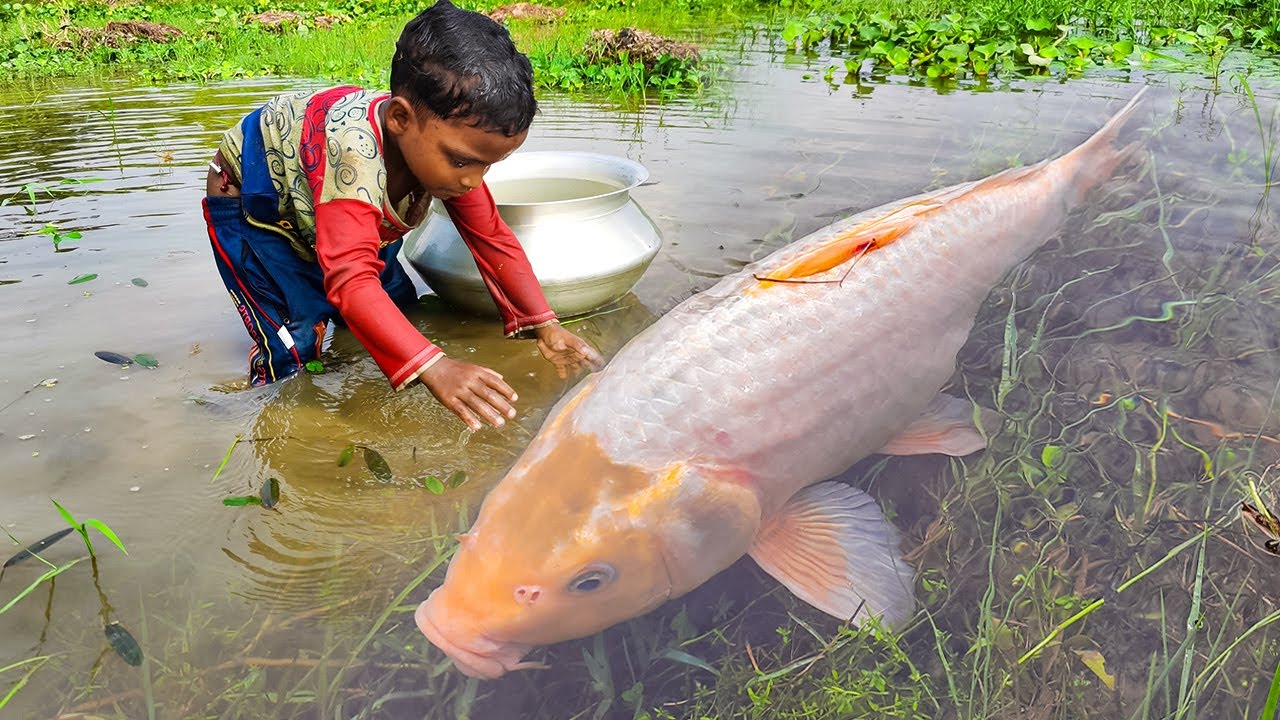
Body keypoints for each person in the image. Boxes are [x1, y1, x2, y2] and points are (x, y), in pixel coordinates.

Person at [200, 0, 603, 432]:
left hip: (335, 204)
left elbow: (491, 237)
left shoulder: (443, 153)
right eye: (462, 161)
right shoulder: (355, 159)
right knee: (294, 338)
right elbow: (352, 281)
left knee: (395, 305)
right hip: (259, 207)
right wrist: (436, 367)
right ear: (399, 119)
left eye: (488, 166)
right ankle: (275, 417)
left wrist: (545, 324)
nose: (473, 181)